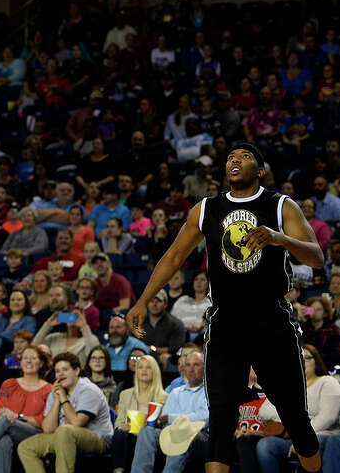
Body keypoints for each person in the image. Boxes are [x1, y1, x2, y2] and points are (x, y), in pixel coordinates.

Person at [127, 141, 326, 473]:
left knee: (294, 416)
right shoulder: (206, 209)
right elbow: (174, 257)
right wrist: (143, 300)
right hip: (225, 324)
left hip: (272, 321)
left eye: (244, 157)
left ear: (259, 171)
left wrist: (280, 239)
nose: (235, 160)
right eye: (231, 157)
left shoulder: (280, 205)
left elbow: (317, 257)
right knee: (220, 417)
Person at [245, 345, 340, 473]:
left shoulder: (327, 382)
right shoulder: (286, 385)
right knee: (265, 445)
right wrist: (294, 416)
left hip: (321, 435)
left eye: (307, 357)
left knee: (309, 445)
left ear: (316, 361)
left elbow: (327, 418)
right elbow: (263, 411)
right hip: (290, 437)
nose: (302, 361)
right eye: (299, 358)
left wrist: (302, 436)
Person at [16, 352, 112, 473]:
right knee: (26, 447)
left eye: (65, 369)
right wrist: (57, 400)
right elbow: (48, 429)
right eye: (57, 371)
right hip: (64, 436)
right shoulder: (57, 391)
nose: (60, 374)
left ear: (76, 371)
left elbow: (77, 423)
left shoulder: (89, 390)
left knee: (64, 430)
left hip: (97, 439)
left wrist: (63, 398)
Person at [128, 350, 208, 473]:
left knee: (180, 433)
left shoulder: (209, 392)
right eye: (188, 365)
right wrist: (162, 422)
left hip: (200, 436)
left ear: (204, 368)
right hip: (172, 432)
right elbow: (164, 420)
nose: (191, 369)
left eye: (196, 365)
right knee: (147, 432)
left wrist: (171, 418)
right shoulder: (176, 392)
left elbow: (204, 418)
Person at [110, 355, 168, 473]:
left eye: (148, 367)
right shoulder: (125, 394)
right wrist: (124, 426)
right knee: (119, 434)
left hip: (151, 439)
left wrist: (147, 426)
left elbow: (165, 427)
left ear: (155, 371)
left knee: (138, 442)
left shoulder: (165, 397)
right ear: (136, 372)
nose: (144, 370)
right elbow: (119, 422)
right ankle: (118, 471)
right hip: (130, 436)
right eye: (140, 367)